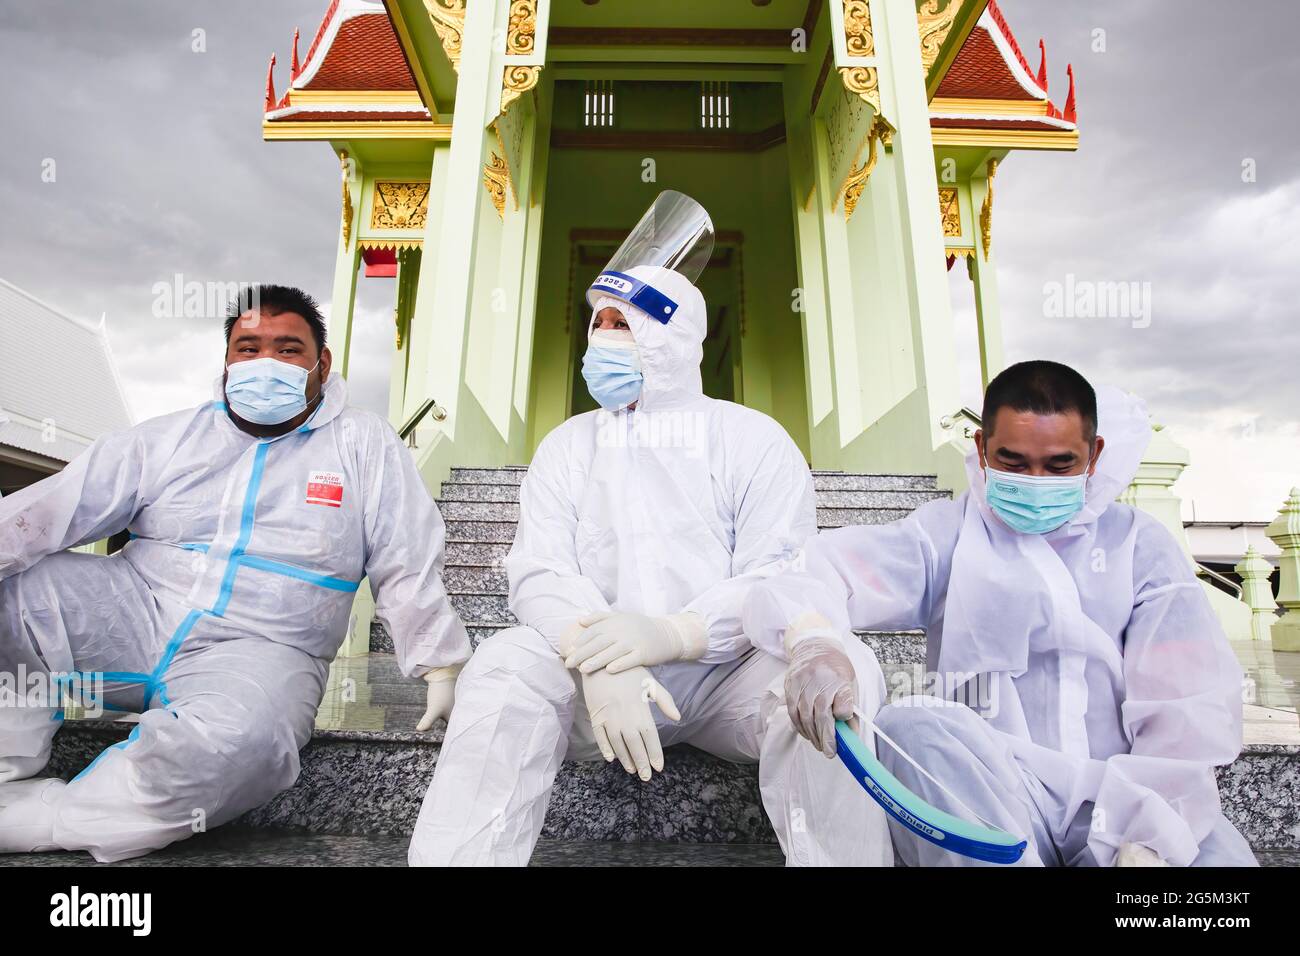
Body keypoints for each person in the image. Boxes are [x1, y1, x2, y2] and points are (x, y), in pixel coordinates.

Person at [408, 191, 892, 866]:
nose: (602, 336)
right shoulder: (569, 445)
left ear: (673, 336)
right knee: (502, 667)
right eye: (598, 323)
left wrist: (675, 634)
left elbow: (779, 573)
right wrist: (598, 656)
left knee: (847, 674)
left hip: (727, 678)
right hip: (596, 684)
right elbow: (540, 570)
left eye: (622, 323)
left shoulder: (752, 440)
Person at [0, 285, 469, 862]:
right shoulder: (168, 438)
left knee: (240, 747)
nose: (264, 363)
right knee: (15, 589)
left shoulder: (363, 444)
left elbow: (406, 553)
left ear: (322, 364)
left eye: (287, 349)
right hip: (131, 616)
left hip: (263, 648)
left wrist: (440, 662)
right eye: (248, 348)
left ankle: (48, 820)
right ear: (226, 362)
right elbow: (47, 513)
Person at [745, 360, 1257, 867]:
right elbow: (815, 572)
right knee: (912, 723)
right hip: (995, 795)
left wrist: (1147, 838)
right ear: (981, 449)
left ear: (1095, 454)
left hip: (1124, 797)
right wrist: (813, 641)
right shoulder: (946, 536)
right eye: (1013, 463)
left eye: (1058, 465)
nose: (1035, 481)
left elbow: (1186, 705)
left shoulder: (1138, 545)